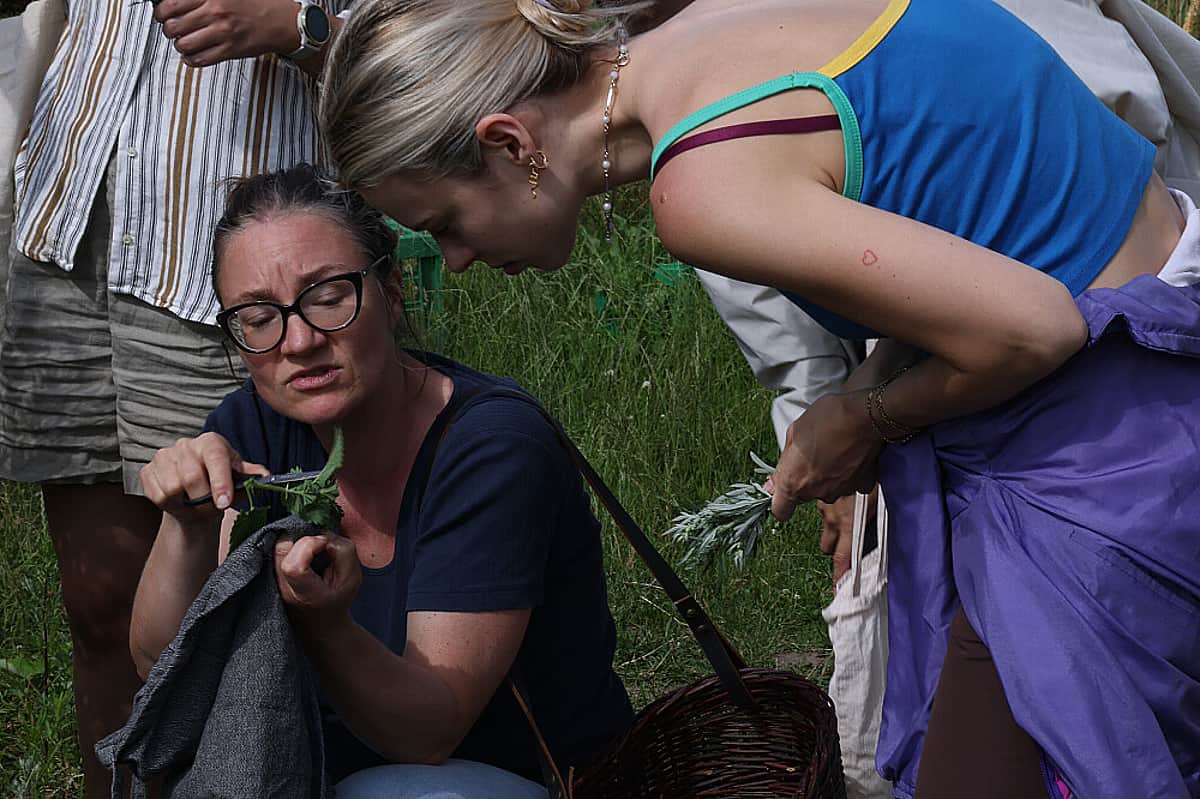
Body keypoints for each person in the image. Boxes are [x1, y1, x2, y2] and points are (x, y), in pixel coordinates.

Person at [316, 0, 1200, 796]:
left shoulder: (698, 185)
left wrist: (863, 421)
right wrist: (857, 391)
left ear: (511, 144)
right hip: (1159, 346)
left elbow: (1033, 328)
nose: (458, 261)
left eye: (446, 225)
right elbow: (967, 232)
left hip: (1113, 442)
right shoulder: (722, 27)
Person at [129, 164, 633, 797]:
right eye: (259, 316)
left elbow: (427, 734)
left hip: (517, 779)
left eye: (329, 295)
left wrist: (327, 624)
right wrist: (186, 525)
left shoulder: (492, 448)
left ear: (392, 291)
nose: (301, 340)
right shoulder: (251, 428)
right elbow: (158, 667)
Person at [0, 0, 350, 792]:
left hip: (231, 261)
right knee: (97, 602)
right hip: (69, 214)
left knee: (235, 618)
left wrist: (295, 23)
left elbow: (439, 39)